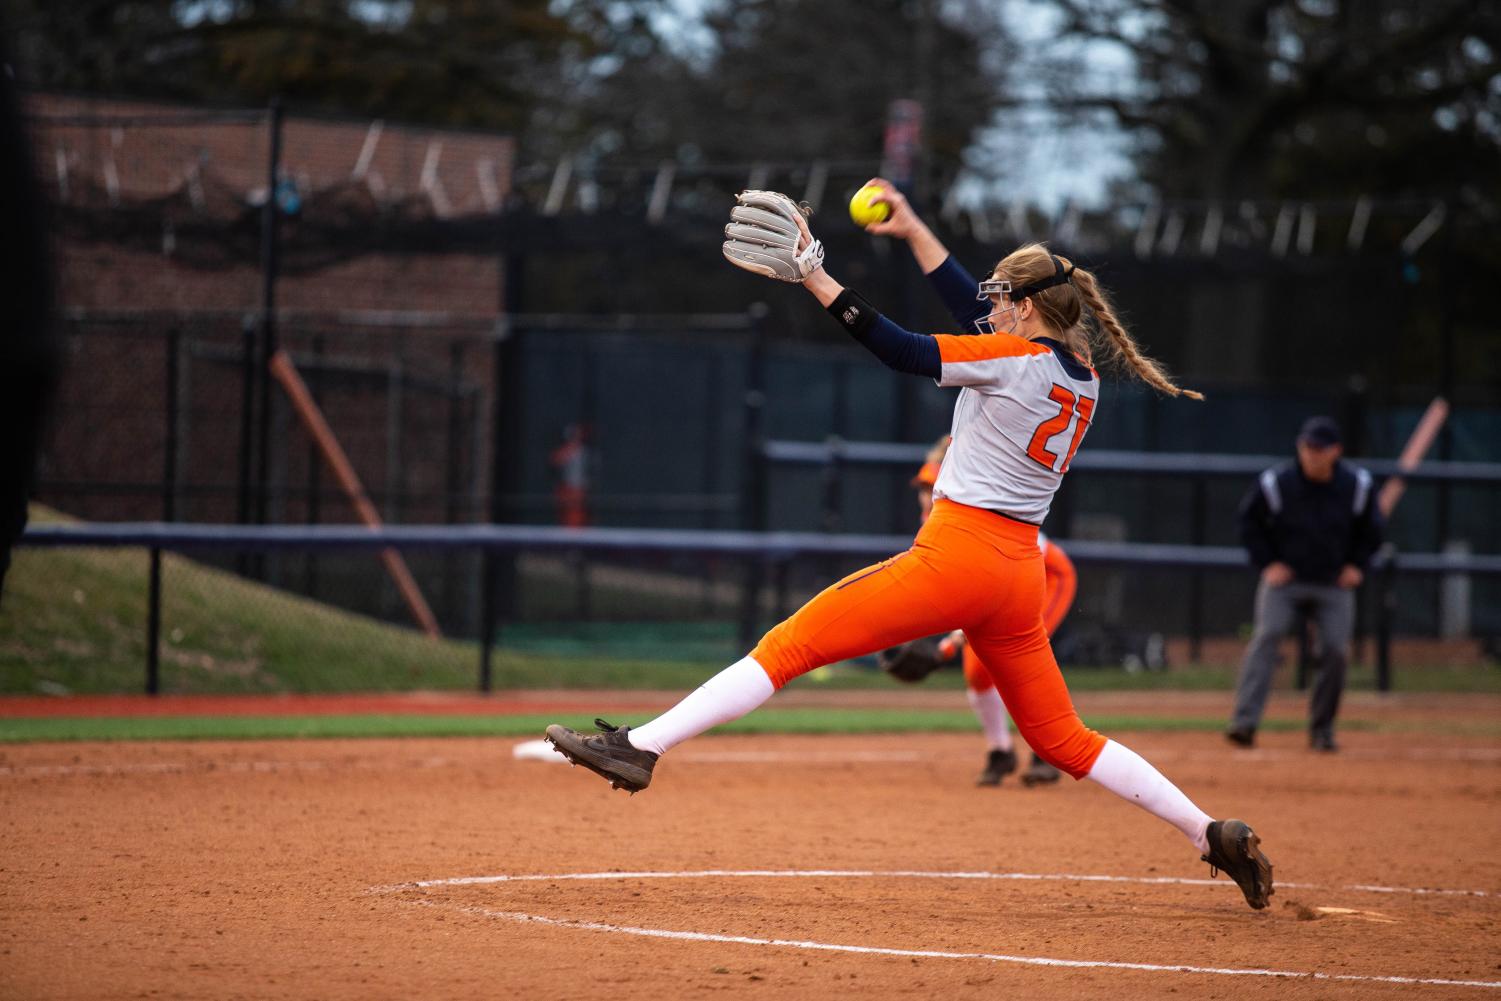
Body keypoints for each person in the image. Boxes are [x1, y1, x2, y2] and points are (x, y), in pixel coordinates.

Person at [547, 182, 1275, 910]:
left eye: (1002, 298)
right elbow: (969, 312)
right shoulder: (1078, 378)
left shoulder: (1008, 359)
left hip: (959, 555)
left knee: (790, 642)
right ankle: (1206, 831)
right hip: (1017, 572)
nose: (988, 307)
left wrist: (813, 274)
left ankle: (641, 746)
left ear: (1025, 308)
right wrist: (914, 229)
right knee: (1065, 740)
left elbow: (899, 348)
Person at [909, 436, 1069, 787]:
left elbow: (992, 590)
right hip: (999, 585)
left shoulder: (980, 511)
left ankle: (1048, 752)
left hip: (1047, 577)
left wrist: (945, 649)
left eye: (932, 486)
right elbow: (962, 595)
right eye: (923, 486)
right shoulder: (935, 523)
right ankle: (1000, 752)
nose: (926, 494)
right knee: (977, 673)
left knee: (1019, 662)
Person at [1227, 416, 1383, 752]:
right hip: (1287, 580)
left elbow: (1373, 531)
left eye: (1319, 448)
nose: (1312, 454)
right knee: (1266, 638)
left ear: (1335, 452)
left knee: (1336, 651)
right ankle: (1244, 723)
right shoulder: (1277, 482)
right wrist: (1268, 563)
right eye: (1307, 447)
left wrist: (1357, 565)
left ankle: (1322, 730)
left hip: (1332, 582)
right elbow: (1249, 522)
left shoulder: (1356, 485)